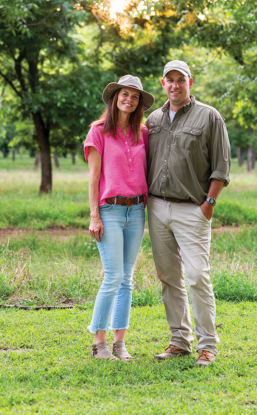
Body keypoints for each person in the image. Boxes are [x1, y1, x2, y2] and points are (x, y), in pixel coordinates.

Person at [145, 60, 231, 367]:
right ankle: (180, 340)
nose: (174, 85)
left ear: (189, 83)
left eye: (180, 80)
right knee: (168, 277)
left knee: (196, 276)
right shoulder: (152, 119)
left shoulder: (209, 117)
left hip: (193, 209)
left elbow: (221, 166)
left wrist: (209, 204)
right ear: (163, 82)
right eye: (169, 80)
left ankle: (207, 346)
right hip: (156, 208)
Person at [84, 74, 155, 360]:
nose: (129, 99)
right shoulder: (98, 131)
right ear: (115, 98)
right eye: (124, 94)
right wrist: (94, 215)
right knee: (113, 277)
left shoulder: (143, 133)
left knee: (128, 279)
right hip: (109, 210)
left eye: (135, 96)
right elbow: (93, 177)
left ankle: (119, 342)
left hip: (137, 210)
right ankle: (98, 343)